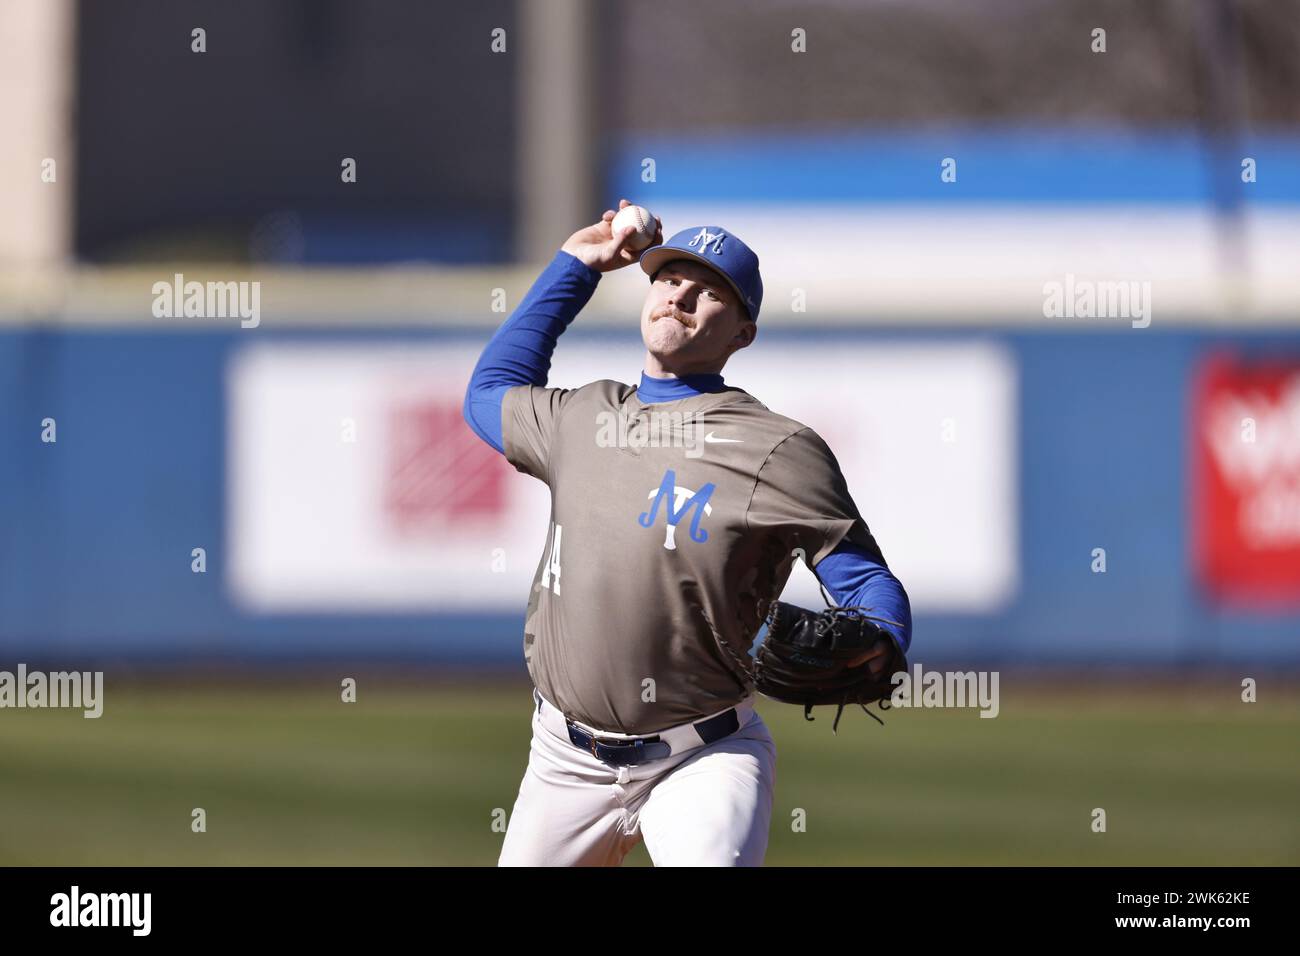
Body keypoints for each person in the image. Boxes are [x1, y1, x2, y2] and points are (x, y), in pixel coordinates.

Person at [463, 199, 912, 866]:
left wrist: (884, 640)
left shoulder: (777, 448)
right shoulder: (582, 417)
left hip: (704, 756)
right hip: (563, 759)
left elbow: (865, 577)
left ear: (742, 333)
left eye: (709, 291)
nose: (681, 296)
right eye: (670, 280)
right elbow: (488, 391)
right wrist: (577, 266)